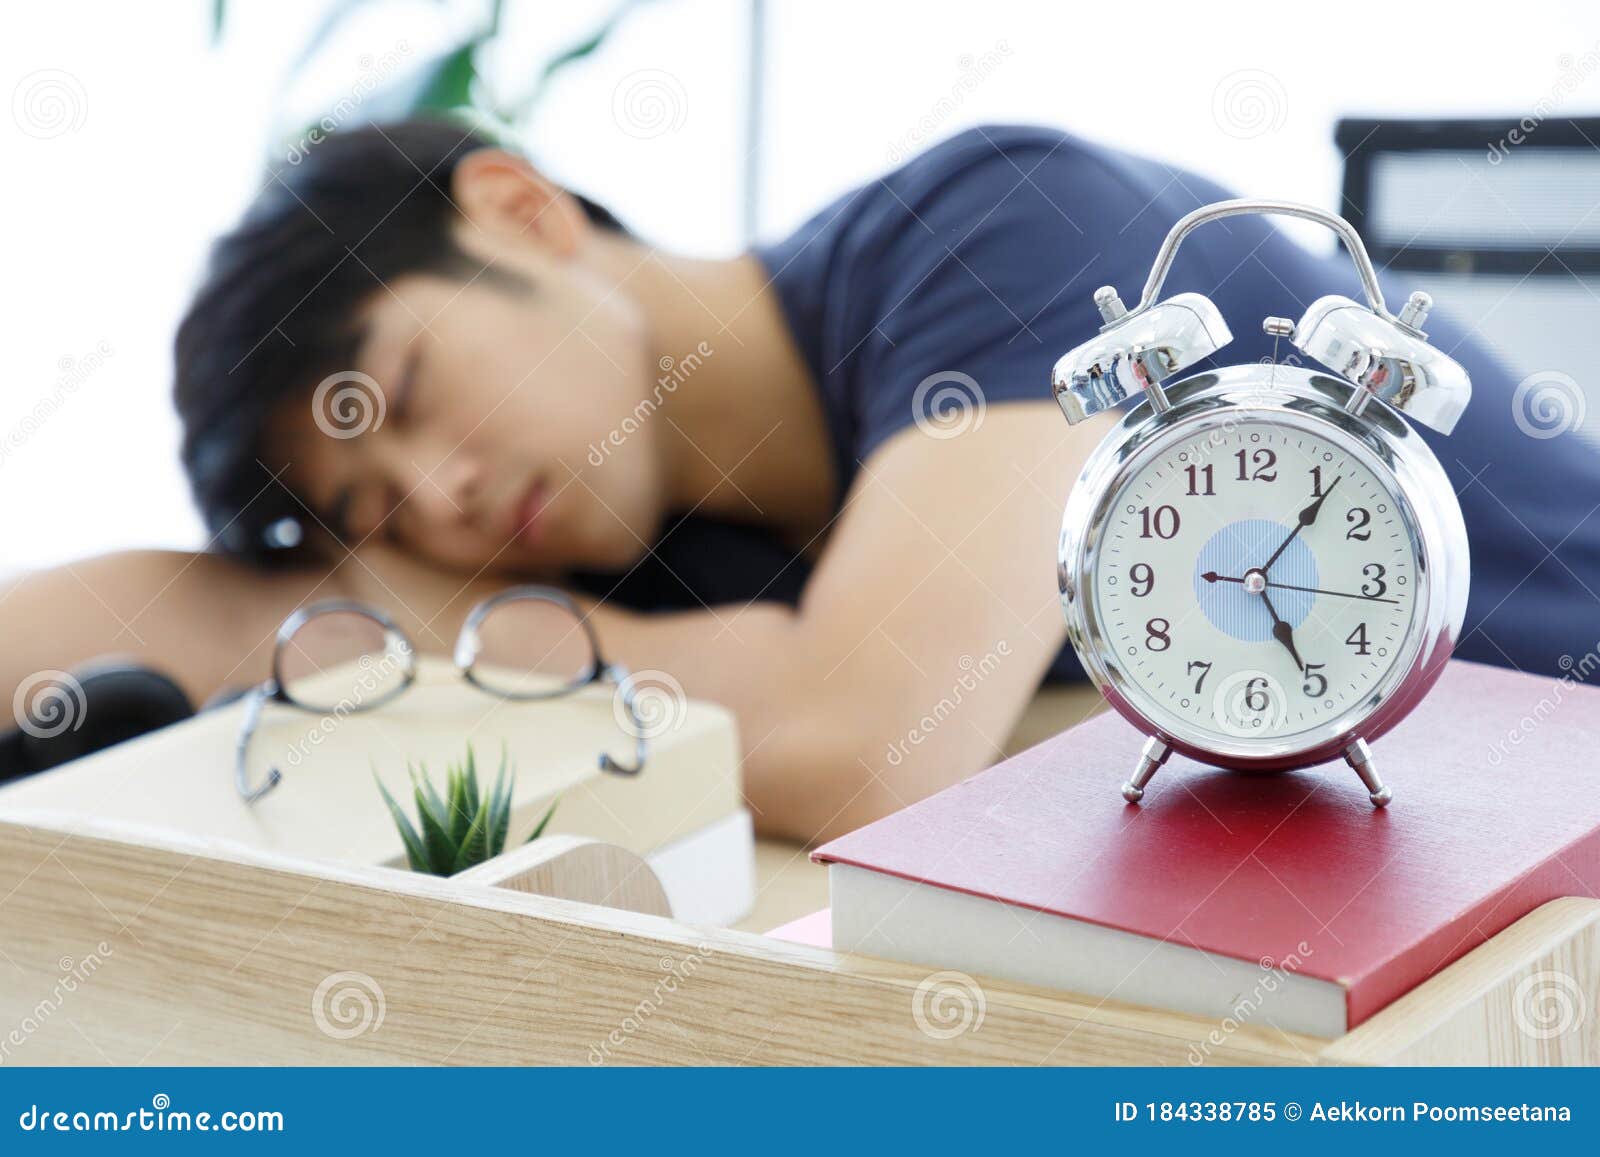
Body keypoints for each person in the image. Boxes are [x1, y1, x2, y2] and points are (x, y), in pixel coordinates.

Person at [5, 121, 1596, 841]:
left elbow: (861, 746)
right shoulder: (653, 553)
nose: (439, 498)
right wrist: (324, 606)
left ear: (518, 209)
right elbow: (178, 613)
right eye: (375, 512)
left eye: (404, 391)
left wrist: (398, 624)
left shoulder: (995, 227)